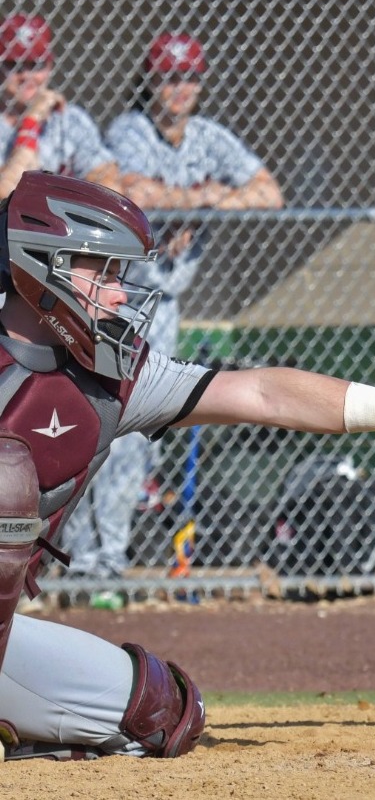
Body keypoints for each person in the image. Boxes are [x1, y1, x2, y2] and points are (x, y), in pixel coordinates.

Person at [0, 170, 375, 760]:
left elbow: (261, 393)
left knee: (165, 712)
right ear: (38, 263)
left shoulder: (111, 382)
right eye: (100, 272)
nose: (120, 293)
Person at [59, 34, 285, 607]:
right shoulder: (131, 130)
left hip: (164, 306)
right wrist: (198, 194)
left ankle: (107, 561)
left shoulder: (209, 137)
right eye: (167, 77)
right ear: (150, 81)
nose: (178, 89)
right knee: (95, 421)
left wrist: (206, 200)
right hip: (112, 296)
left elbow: (269, 193)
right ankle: (85, 562)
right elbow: (132, 190)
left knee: (138, 437)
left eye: (188, 78)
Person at [0, 14, 122, 197]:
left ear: (50, 66)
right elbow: (5, 191)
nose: (26, 75)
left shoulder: (70, 118)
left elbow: (110, 186)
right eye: (13, 65)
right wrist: (31, 123)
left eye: (35, 65)